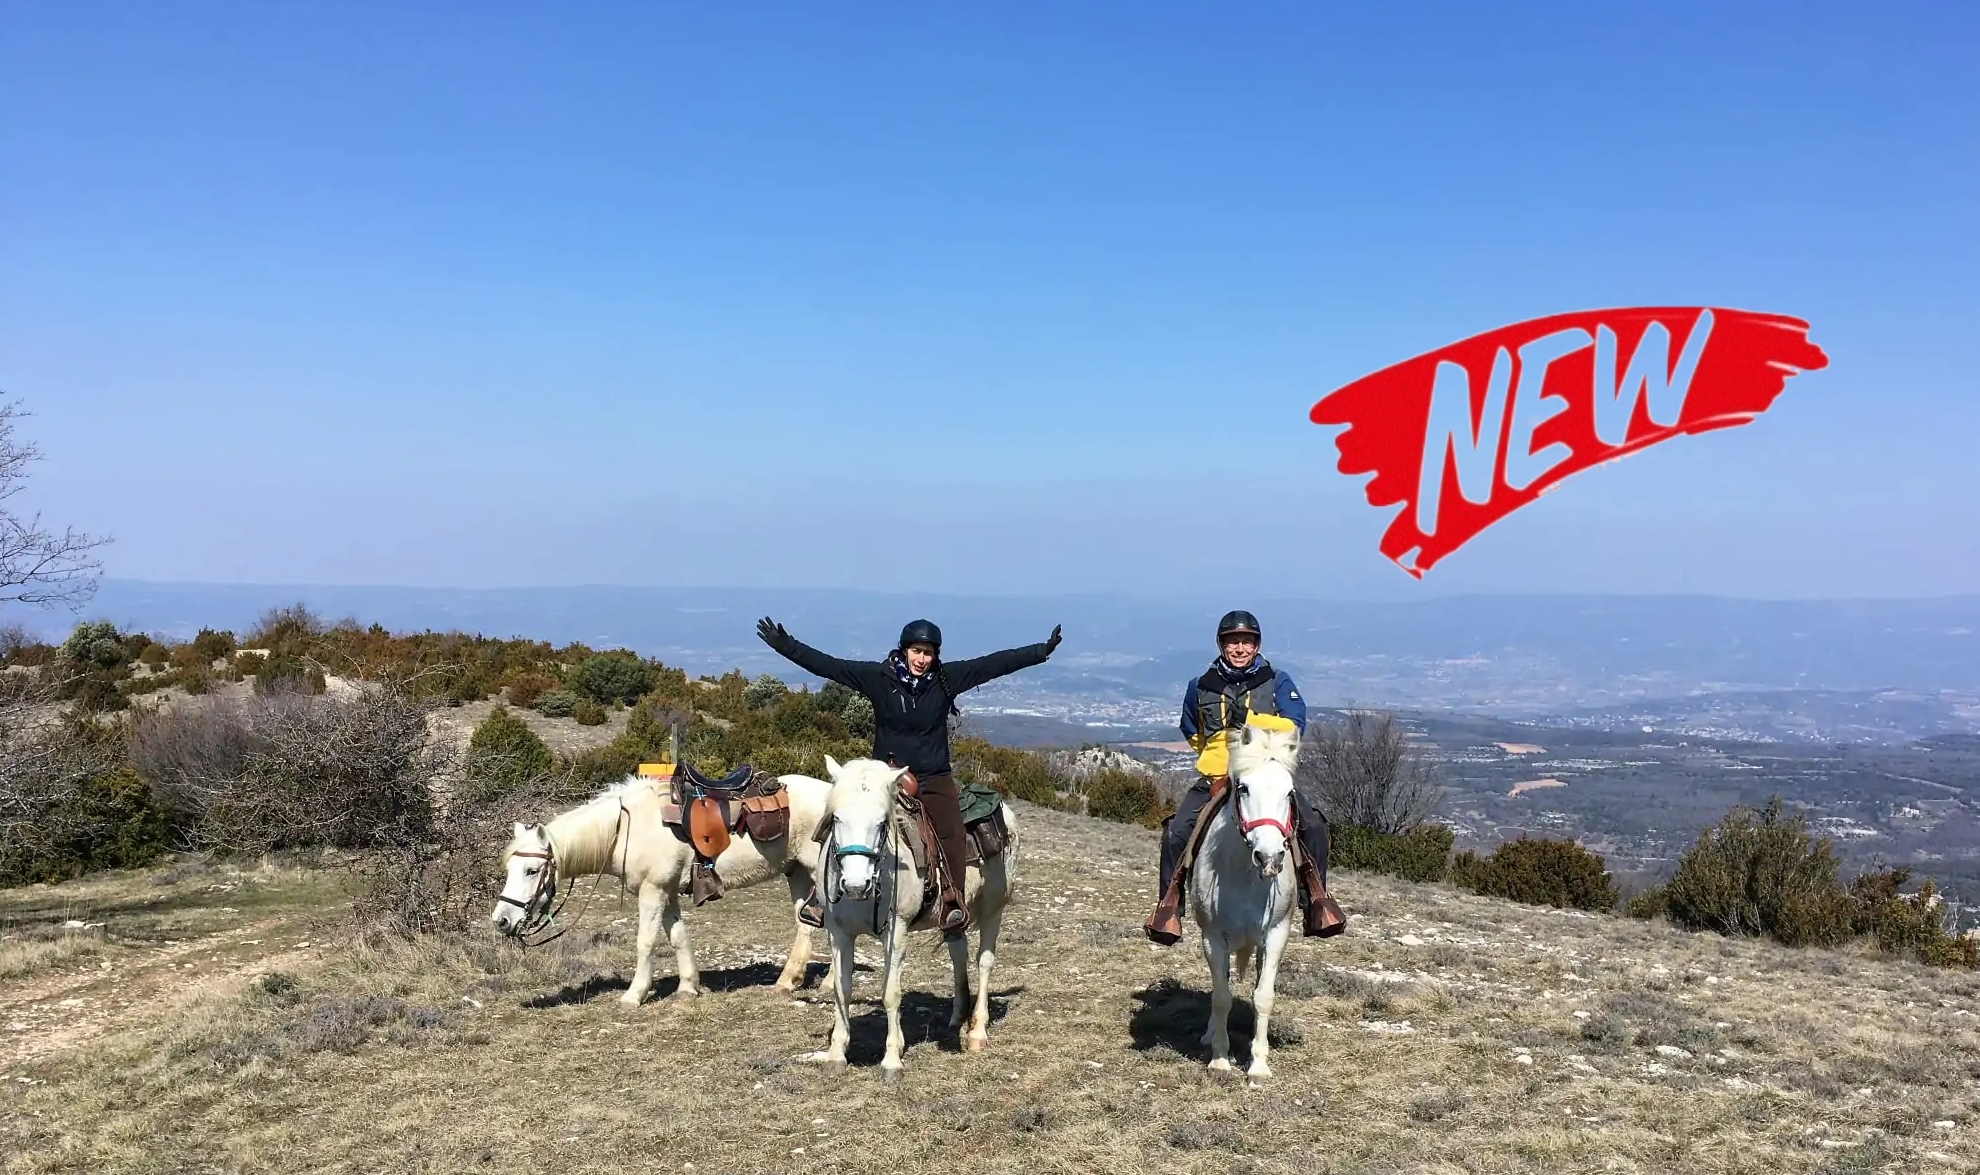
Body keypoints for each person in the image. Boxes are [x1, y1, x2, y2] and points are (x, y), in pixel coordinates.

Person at [756, 615, 1062, 934]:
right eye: (916, 651)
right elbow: (828, 665)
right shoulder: (878, 677)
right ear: (904, 650)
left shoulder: (947, 680)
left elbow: (994, 663)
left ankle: (952, 900)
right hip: (884, 777)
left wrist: (1040, 651)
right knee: (840, 820)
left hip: (933, 775)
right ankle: (822, 895)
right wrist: (784, 646)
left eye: (928, 653)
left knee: (952, 831)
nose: (922, 659)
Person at [1145, 609, 1335, 943]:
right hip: (1216, 775)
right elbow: (1192, 730)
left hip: (1262, 773)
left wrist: (1251, 718)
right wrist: (1216, 758)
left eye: (1247, 641)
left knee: (1314, 826)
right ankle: (1169, 907)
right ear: (1222, 645)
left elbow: (1295, 725)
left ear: (1257, 645)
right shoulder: (1200, 685)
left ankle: (1317, 900)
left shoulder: (1276, 681)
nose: (1240, 649)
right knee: (1176, 833)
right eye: (1233, 642)